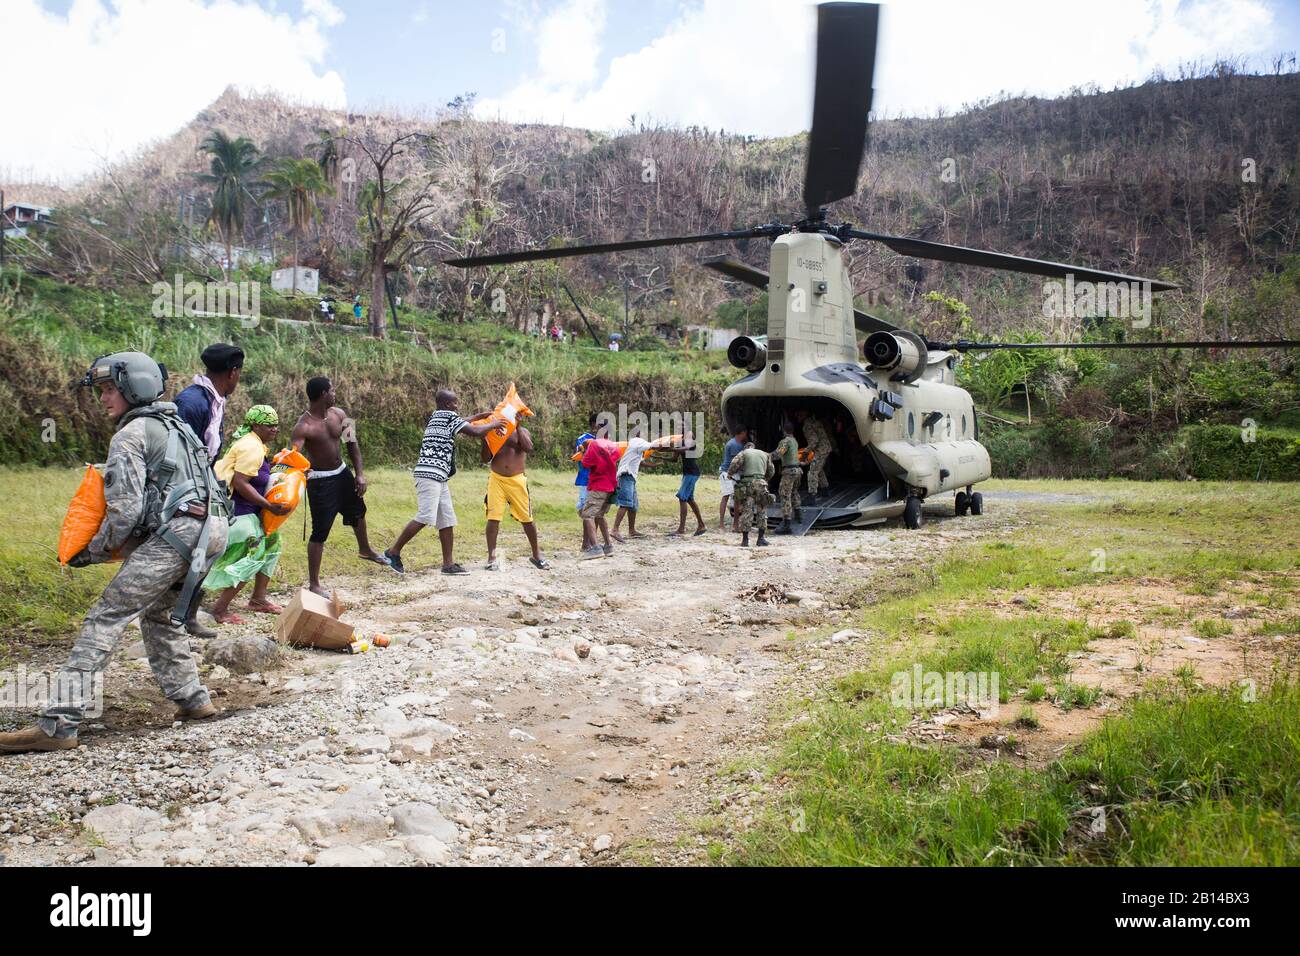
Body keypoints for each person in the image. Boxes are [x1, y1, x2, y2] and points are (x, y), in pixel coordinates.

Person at [1, 352, 229, 754]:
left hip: (178, 534)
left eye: (108, 390)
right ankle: (194, 702)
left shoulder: (131, 434)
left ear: (131, 387)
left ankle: (58, 724)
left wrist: (91, 551)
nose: (103, 399)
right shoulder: (176, 425)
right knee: (161, 616)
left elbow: (125, 511)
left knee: (105, 618)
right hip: (211, 530)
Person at [382, 388, 503, 575]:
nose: (457, 405)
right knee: (425, 516)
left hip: (438, 476)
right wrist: (494, 424)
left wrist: (478, 415)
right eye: (455, 402)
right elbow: (475, 431)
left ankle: (448, 565)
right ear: (448, 405)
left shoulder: (436, 416)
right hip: (430, 475)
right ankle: (392, 552)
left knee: (446, 519)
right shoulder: (449, 416)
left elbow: (462, 422)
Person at [291, 376, 390, 596]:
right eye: (332, 390)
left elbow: (353, 445)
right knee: (320, 531)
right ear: (323, 394)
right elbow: (293, 454)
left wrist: (360, 474)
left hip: (342, 473)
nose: (335, 394)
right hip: (320, 481)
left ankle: (365, 549)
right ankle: (314, 584)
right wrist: (297, 468)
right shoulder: (303, 426)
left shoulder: (340, 414)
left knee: (358, 511)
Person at [173, 342, 244, 638]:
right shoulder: (192, 402)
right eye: (239, 374)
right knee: (188, 551)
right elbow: (177, 452)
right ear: (232, 373)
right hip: (184, 488)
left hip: (204, 483)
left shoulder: (214, 400)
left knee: (208, 549)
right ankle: (174, 616)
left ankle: (187, 614)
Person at [204, 406, 290, 623]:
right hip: (240, 512)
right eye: (269, 425)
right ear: (256, 425)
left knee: (273, 542)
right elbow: (240, 483)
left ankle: (258, 599)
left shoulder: (255, 443)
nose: (275, 429)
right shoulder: (251, 447)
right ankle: (219, 609)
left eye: (276, 424)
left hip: (252, 510)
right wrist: (268, 506)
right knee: (254, 554)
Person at [480, 424, 550, 570]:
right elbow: (486, 459)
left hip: (517, 480)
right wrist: (485, 438)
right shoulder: (494, 431)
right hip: (496, 479)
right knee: (493, 518)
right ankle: (491, 558)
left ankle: (536, 555)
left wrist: (516, 427)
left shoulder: (523, 431)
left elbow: (528, 448)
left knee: (527, 519)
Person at [577, 435, 621, 559]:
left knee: (587, 514)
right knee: (600, 515)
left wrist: (584, 451)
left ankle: (596, 548)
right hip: (611, 484)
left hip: (598, 484)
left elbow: (586, 463)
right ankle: (608, 546)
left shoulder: (594, 444)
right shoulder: (613, 445)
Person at [727, 441, 774, 548]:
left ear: (746, 448)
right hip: (761, 485)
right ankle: (761, 539)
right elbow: (771, 471)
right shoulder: (765, 454)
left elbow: (734, 463)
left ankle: (745, 540)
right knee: (762, 510)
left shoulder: (744, 453)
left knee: (747, 511)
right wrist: (763, 479)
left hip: (748, 485)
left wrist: (730, 474)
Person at [611, 432, 655, 542]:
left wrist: (656, 464)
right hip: (626, 475)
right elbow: (652, 446)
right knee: (625, 503)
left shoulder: (633, 445)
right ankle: (615, 530)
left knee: (633, 506)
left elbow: (640, 462)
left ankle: (632, 530)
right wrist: (665, 445)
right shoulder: (637, 441)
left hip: (630, 477)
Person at [666, 432, 706, 537]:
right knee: (689, 499)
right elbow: (674, 459)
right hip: (688, 473)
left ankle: (681, 529)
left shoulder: (690, 437)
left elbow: (685, 448)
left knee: (682, 497)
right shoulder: (679, 441)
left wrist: (671, 449)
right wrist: (657, 456)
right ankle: (701, 525)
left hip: (692, 473)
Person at [573, 413, 599, 551]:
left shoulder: (603, 439)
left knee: (596, 512)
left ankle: (590, 542)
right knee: (587, 512)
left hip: (599, 480)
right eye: (599, 424)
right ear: (593, 424)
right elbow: (581, 457)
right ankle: (586, 544)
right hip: (586, 480)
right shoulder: (583, 439)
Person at [773, 420, 803, 534]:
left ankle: (786, 525)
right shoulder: (794, 441)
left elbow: (778, 454)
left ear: (784, 430)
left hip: (789, 472)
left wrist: (766, 456)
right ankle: (799, 516)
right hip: (797, 470)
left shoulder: (785, 441)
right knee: (794, 492)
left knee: (785, 495)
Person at [799, 410, 834, 502]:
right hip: (825, 447)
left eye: (799, 415)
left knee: (812, 471)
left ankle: (812, 496)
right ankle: (825, 489)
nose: (797, 417)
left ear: (802, 415)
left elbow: (814, 441)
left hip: (821, 449)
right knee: (819, 469)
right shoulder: (814, 421)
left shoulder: (807, 425)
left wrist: (805, 453)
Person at [719, 425, 748, 531]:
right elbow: (737, 462)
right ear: (742, 433)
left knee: (736, 499)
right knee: (726, 497)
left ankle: (735, 525)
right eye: (745, 433)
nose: (746, 435)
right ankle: (722, 524)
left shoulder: (738, 443)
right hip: (728, 473)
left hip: (733, 474)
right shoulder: (734, 444)